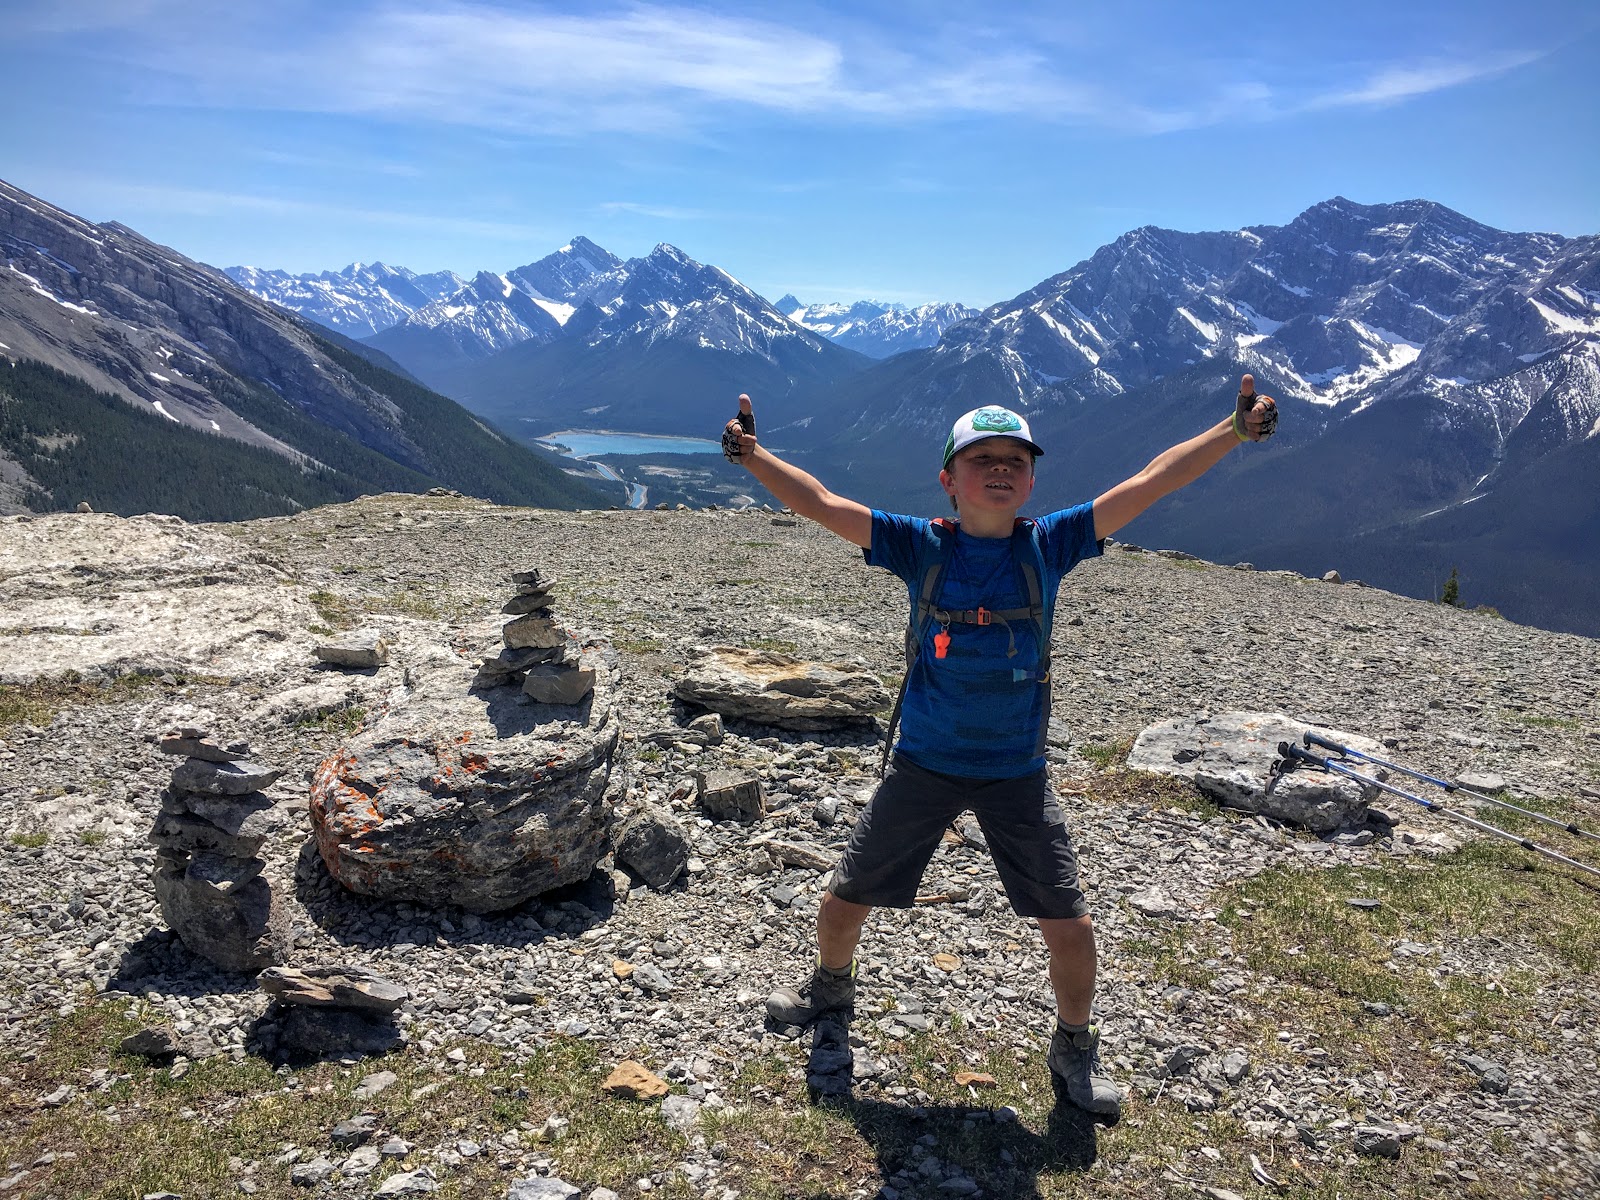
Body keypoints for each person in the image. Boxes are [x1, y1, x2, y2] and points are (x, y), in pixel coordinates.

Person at [720, 377, 1278, 1121]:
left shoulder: (1051, 544)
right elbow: (821, 503)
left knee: (1071, 926)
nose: (1001, 469)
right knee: (844, 897)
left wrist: (1230, 433)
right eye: (981, 458)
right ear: (949, 480)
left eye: (1015, 459)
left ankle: (1074, 1045)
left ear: (1032, 480)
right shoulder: (920, 545)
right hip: (924, 761)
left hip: (1017, 771)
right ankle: (831, 989)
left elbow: (1151, 480)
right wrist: (753, 457)